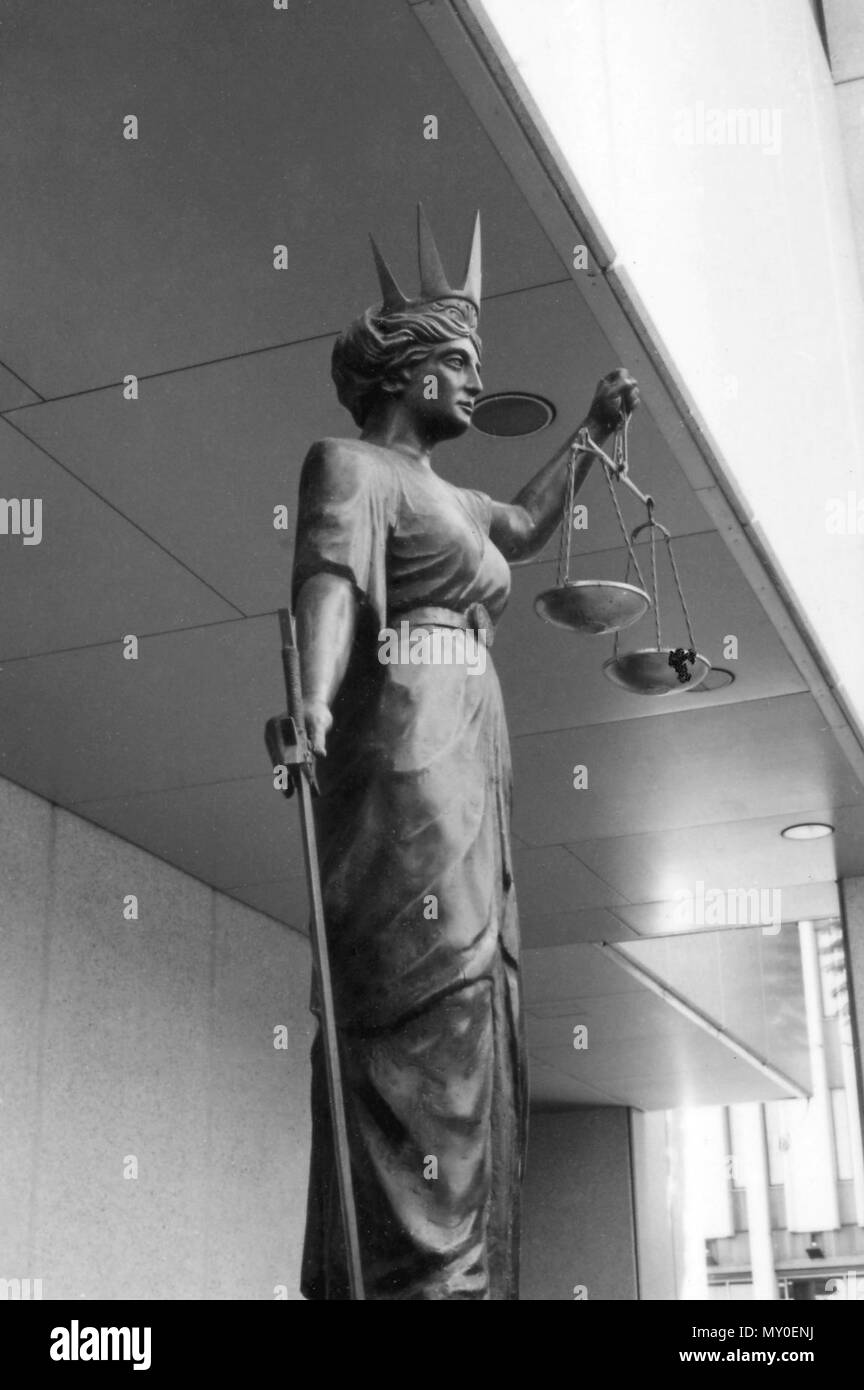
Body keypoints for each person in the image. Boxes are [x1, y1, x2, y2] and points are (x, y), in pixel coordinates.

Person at [291, 207, 639, 1299]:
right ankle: (409, 1267)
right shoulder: (348, 466)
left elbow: (526, 532)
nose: (473, 386)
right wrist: (310, 703)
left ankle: (473, 1270)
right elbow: (331, 585)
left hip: (473, 739)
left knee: (480, 1000)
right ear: (407, 373)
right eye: (459, 365)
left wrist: (589, 431)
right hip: (406, 738)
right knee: (421, 983)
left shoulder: (460, 498)